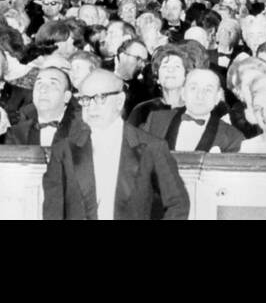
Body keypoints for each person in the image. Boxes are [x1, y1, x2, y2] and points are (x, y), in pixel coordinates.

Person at [41, 69, 189, 219]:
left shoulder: (151, 147)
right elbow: (53, 210)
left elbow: (177, 203)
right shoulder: (64, 149)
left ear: (119, 100)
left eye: (100, 97)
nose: (91, 106)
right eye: (85, 99)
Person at [143, 69, 244, 153]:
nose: (200, 95)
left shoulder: (233, 137)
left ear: (217, 98)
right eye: (193, 88)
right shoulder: (156, 121)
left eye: (208, 90)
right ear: (183, 92)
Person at [7, 63, 79, 147]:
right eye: (39, 83)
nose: (43, 89)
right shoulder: (16, 133)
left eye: (53, 84)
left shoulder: (81, 131)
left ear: (66, 96)